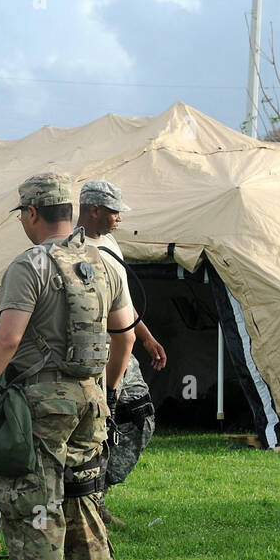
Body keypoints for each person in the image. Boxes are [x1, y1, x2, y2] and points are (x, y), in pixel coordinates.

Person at [0, 172, 135, 560]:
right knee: (84, 499)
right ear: (70, 213)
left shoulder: (29, 265)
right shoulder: (107, 263)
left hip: (40, 404)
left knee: (32, 503)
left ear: (31, 213)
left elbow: (8, 338)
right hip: (90, 400)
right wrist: (107, 394)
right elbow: (125, 335)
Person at [77, 179, 164, 518]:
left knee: (140, 418)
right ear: (94, 210)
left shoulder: (110, 242)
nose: (119, 219)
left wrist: (145, 336)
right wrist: (109, 390)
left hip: (123, 350)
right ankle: (90, 502)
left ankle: (101, 490)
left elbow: (121, 302)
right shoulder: (76, 250)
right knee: (97, 426)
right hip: (97, 353)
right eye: (114, 212)